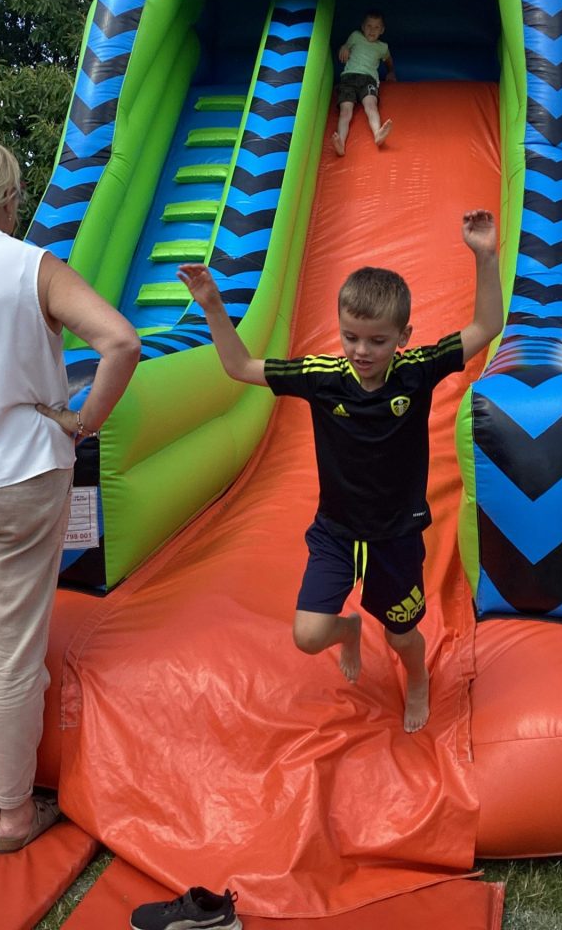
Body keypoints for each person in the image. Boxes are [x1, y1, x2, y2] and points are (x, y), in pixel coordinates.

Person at [177, 209, 502, 733]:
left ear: (403, 335)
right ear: (340, 329)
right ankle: (349, 628)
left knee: (402, 637)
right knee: (308, 634)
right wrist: (214, 307)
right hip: (337, 530)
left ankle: (416, 679)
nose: (361, 351)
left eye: (377, 340)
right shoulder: (323, 376)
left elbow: (487, 326)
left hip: (396, 533)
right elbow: (240, 368)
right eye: (351, 336)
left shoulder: (416, 370)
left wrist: (484, 256)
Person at [0, 133, 140, 852]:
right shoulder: (34, 268)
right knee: (13, 651)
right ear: (11, 196)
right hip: (24, 475)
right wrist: (84, 421)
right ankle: (17, 812)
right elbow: (122, 341)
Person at [332, 10, 396, 157]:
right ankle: (341, 142)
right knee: (345, 111)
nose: (372, 30)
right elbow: (346, 47)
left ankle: (378, 133)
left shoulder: (382, 47)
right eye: (369, 26)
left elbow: (388, 61)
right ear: (362, 27)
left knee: (371, 105)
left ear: (382, 30)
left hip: (368, 80)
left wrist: (391, 72)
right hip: (348, 78)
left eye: (376, 27)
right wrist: (344, 47)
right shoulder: (355, 36)